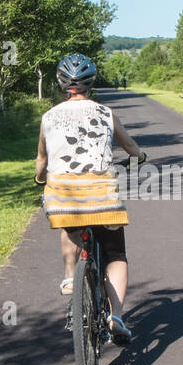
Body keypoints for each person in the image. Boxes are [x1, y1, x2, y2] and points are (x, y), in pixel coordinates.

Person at [36, 53, 146, 345]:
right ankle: (117, 316)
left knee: (68, 225)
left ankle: (71, 278)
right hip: (102, 195)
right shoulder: (105, 113)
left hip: (66, 196)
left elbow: (41, 159)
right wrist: (140, 158)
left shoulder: (49, 117)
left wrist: (39, 177)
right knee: (115, 255)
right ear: (91, 83)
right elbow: (131, 147)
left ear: (61, 84)